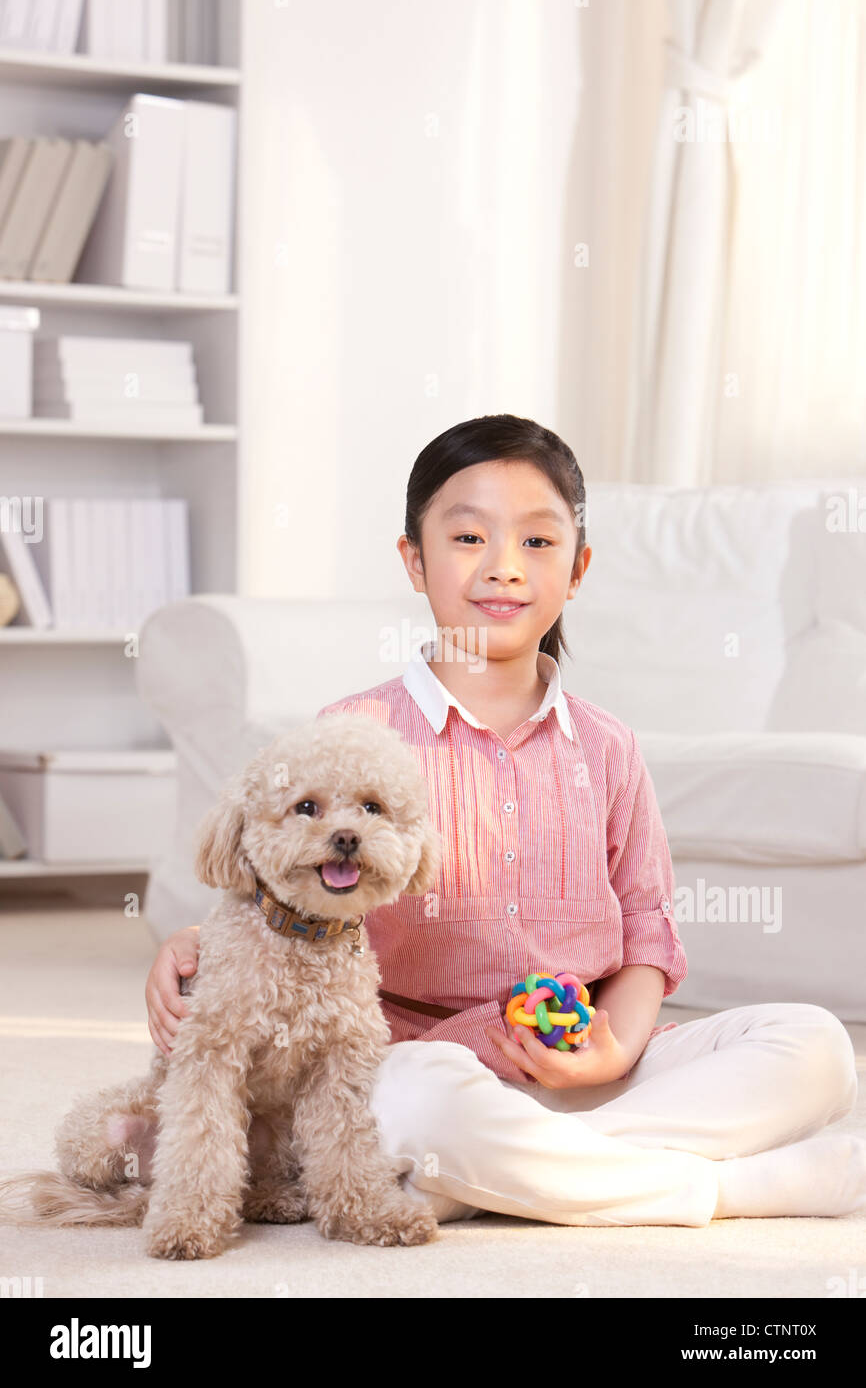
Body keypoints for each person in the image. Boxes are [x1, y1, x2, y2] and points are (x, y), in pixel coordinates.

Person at [142, 414, 864, 1227]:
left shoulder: (609, 748)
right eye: (468, 538)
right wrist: (193, 942)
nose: (503, 567)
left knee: (815, 1047)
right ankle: (730, 1188)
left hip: (585, 1068)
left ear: (578, 568)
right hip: (424, 1066)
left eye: (537, 541)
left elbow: (645, 930)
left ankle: (514, 1173)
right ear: (415, 561)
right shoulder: (354, 735)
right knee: (412, 1104)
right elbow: (289, 888)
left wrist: (616, 1050)